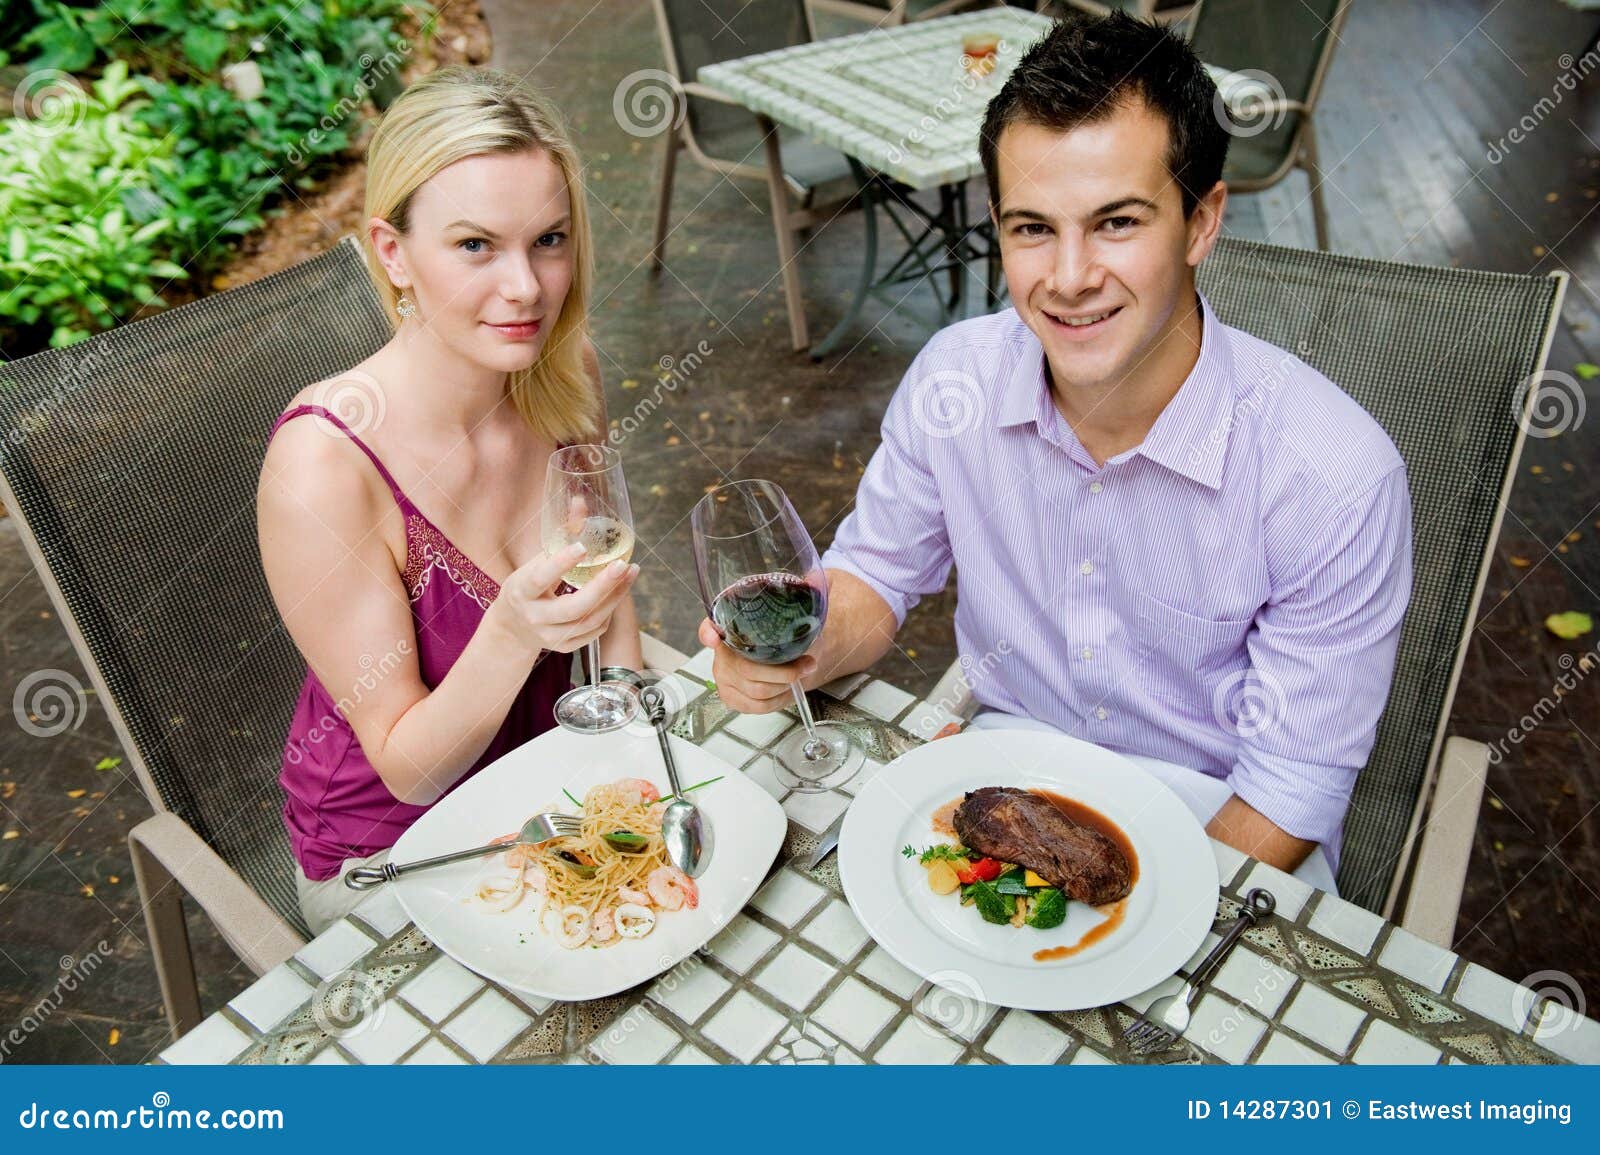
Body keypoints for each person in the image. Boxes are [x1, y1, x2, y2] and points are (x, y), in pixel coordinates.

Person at [698, 14, 1412, 892]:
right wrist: (802, 654)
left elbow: (1290, 787)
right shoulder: (954, 382)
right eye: (1033, 228)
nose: (1068, 276)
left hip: (1221, 842)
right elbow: (876, 576)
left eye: (1116, 221)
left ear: (1200, 221)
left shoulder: (1334, 475)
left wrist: (1128, 921)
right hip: (1004, 802)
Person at [258, 67, 641, 934]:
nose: (527, 288)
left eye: (549, 240)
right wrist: (511, 632)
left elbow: (607, 567)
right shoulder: (323, 462)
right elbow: (408, 770)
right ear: (392, 252)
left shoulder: (564, 372)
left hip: (557, 789)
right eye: (475, 246)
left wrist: (630, 726)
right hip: (397, 851)